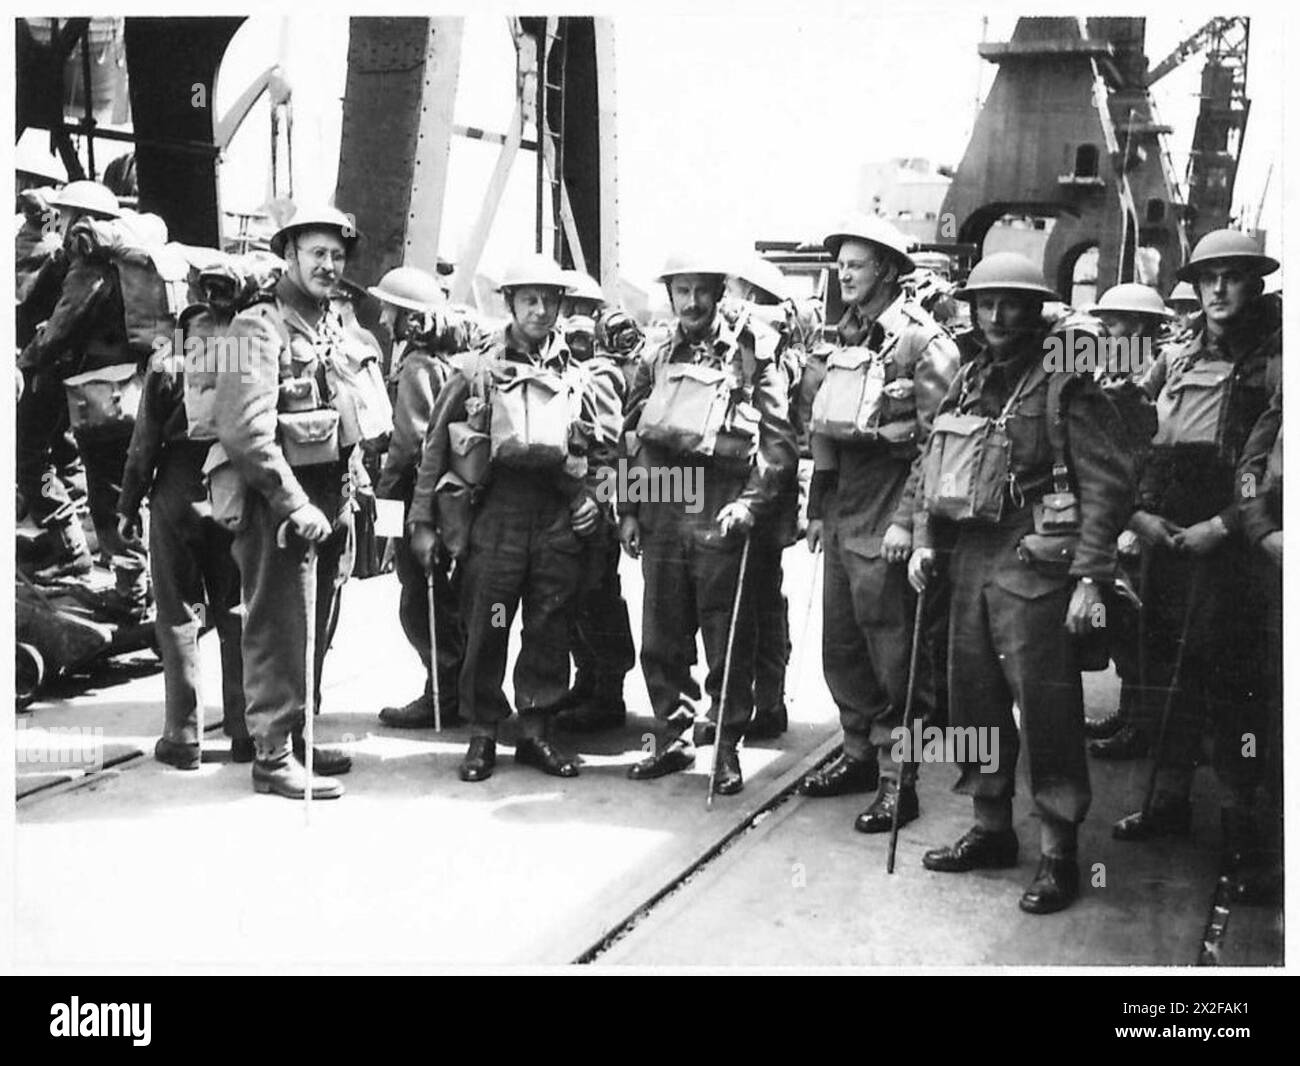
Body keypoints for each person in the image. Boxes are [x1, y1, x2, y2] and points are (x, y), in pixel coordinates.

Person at [908, 252, 1132, 914]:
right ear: (972, 310)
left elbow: (1107, 484)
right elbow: (930, 462)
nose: (998, 315)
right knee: (969, 697)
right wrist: (923, 539)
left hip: (1036, 559)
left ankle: (1060, 852)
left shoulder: (1066, 384)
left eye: (1012, 303)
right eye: (986, 303)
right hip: (971, 555)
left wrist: (1092, 578)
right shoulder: (970, 378)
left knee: (1047, 711)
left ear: (1036, 312)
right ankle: (991, 828)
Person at [407, 254, 622, 782]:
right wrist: (423, 523)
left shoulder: (577, 377)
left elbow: (603, 450)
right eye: (530, 299)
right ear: (510, 303)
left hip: (555, 525)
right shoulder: (477, 371)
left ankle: (535, 728)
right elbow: (435, 449)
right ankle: (483, 730)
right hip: (496, 520)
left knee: (547, 624)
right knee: (491, 622)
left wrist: (594, 497)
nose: (542, 310)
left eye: (551, 300)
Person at [1111, 231, 1282, 883]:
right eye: (1208, 278)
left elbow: (1272, 468)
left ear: (1255, 284)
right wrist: (1138, 512)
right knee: (1164, 668)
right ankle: (1169, 801)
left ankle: (1244, 829)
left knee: (1234, 682)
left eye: (1233, 276)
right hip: (1171, 534)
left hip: (1238, 547)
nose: (1217, 289)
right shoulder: (1179, 355)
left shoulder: (1278, 359)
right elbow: (1138, 429)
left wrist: (1227, 525)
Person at [215, 203, 389, 799]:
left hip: (331, 500)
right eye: (317, 253)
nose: (329, 265)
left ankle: (300, 731)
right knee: (275, 626)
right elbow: (243, 432)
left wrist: (352, 488)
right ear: (287, 255)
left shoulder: (333, 326)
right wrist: (294, 504)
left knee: (318, 624)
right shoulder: (252, 328)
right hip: (279, 507)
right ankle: (270, 754)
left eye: (337, 256)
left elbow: (349, 415)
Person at [798, 215, 960, 834]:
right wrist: (817, 510)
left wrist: (909, 527)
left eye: (857, 265)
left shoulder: (922, 343)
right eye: (840, 265)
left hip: (889, 517)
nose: (844, 274)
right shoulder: (841, 338)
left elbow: (938, 446)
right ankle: (859, 753)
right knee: (842, 646)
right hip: (844, 517)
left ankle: (900, 779)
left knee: (898, 657)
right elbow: (822, 431)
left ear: (888, 271)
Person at [619, 252, 797, 795]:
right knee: (663, 631)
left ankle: (724, 744)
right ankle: (672, 737)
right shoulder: (654, 351)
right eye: (681, 291)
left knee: (727, 634)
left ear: (719, 293)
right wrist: (627, 508)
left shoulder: (752, 352)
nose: (692, 302)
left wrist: (751, 503)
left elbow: (777, 440)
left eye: (701, 291)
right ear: (670, 296)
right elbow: (631, 433)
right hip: (665, 508)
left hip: (720, 508)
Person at [118, 256, 255, 769]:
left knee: (177, 615)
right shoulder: (250, 353)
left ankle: (183, 737)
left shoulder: (170, 355)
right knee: (236, 610)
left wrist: (127, 505)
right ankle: (244, 731)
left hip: (175, 490)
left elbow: (142, 443)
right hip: (231, 487)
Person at [370, 266, 466, 730]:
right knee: (449, 597)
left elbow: (407, 447)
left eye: (391, 309)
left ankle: (441, 695)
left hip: (415, 495)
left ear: (410, 319)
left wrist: (387, 523)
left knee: (419, 601)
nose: (384, 318)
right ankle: (460, 689)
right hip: (451, 495)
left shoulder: (415, 366)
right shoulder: (449, 360)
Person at [1080, 284, 1166, 759]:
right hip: (1113, 511)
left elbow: (1152, 452)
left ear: (1139, 327)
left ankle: (1140, 723)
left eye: (1114, 322)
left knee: (1139, 627)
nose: (1106, 330)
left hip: (1140, 513)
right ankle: (1129, 710)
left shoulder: (1153, 371)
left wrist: (1136, 520)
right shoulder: (1112, 368)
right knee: (1118, 623)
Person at [553, 293, 639, 734]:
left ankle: (607, 693)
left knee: (596, 597)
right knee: (579, 598)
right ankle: (588, 683)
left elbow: (609, 444)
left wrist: (599, 503)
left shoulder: (599, 374)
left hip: (593, 506)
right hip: (586, 502)